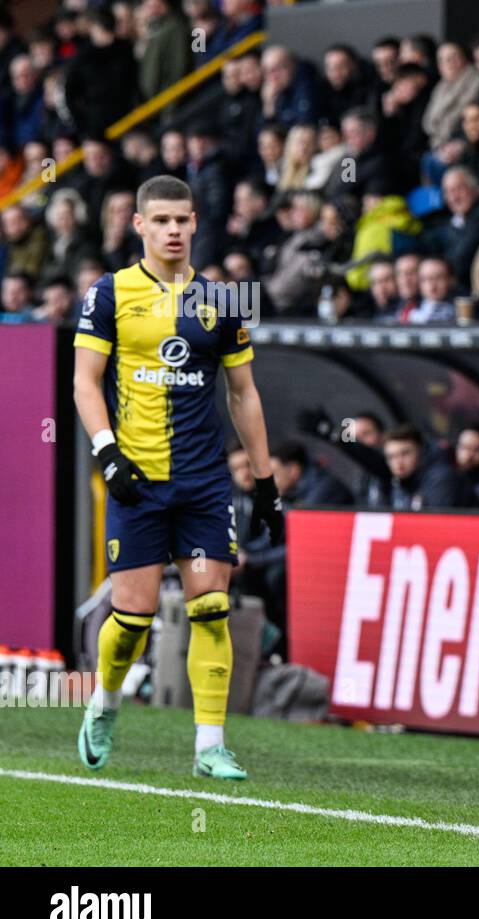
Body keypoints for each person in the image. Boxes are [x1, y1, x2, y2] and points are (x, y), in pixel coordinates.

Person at [72, 175, 283, 781]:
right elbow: (87, 380)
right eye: (160, 220)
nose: (172, 231)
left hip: (203, 483)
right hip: (136, 479)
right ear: (138, 225)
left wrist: (264, 485)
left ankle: (209, 746)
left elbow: (243, 395)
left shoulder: (225, 300)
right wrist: (107, 453)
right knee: (132, 620)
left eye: (182, 220)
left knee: (211, 608)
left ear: (195, 225)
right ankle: (106, 703)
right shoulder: (109, 294)